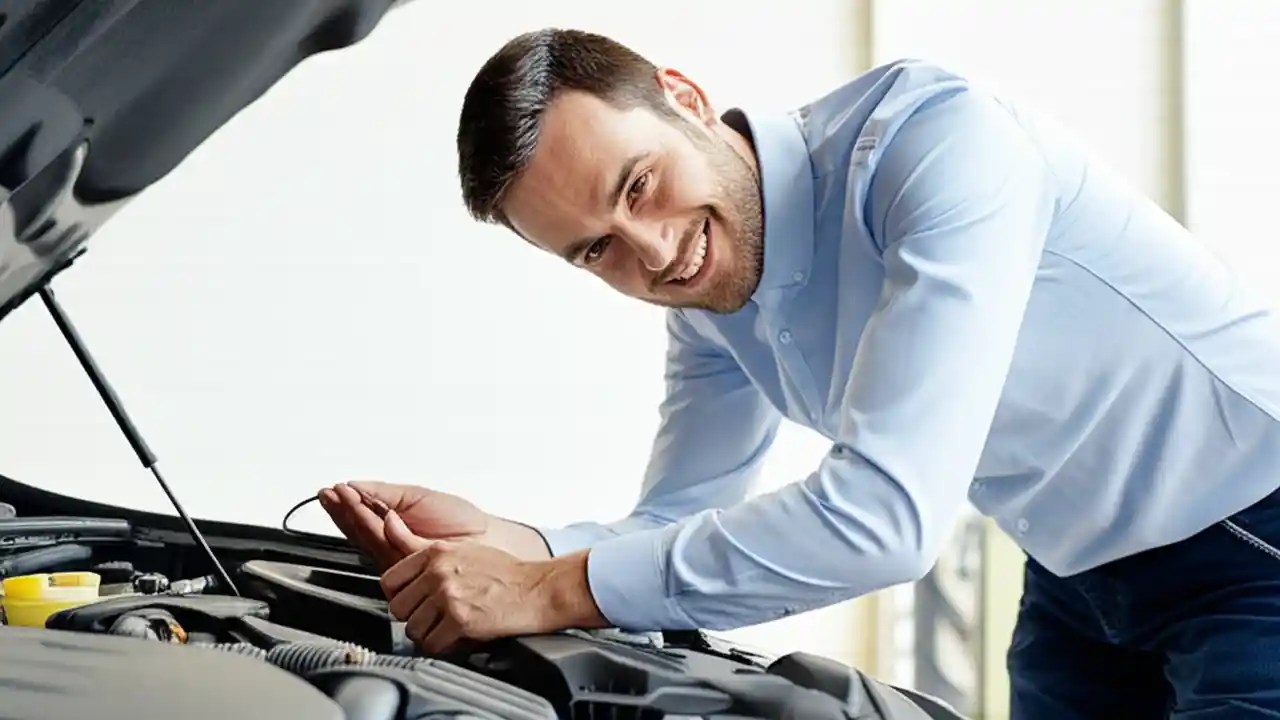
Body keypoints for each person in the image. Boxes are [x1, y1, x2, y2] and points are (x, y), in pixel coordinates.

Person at [318, 27, 1280, 718]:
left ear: (683, 98)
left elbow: (887, 521)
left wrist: (549, 589)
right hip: (1077, 578)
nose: (651, 254)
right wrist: (512, 542)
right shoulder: (711, 303)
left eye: (639, 185)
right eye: (594, 251)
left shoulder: (938, 142)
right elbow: (667, 527)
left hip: (1254, 539)